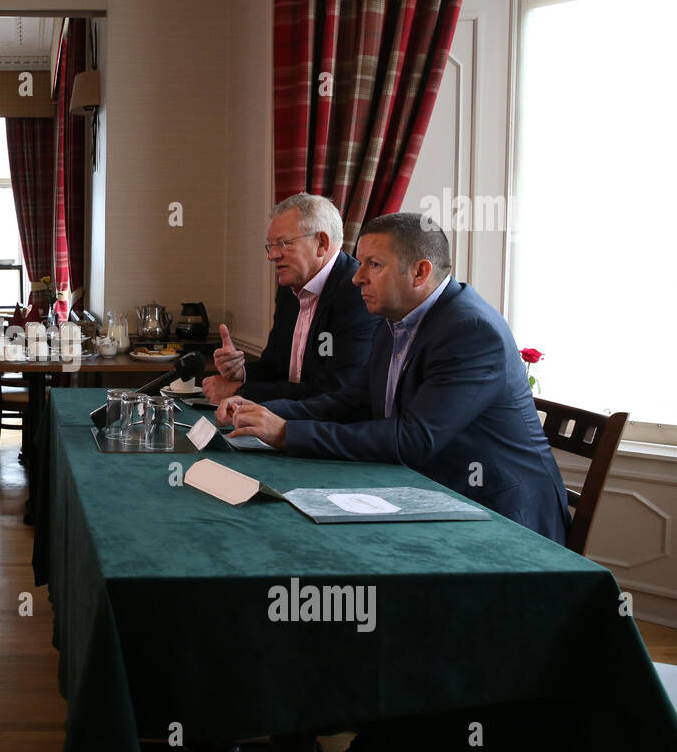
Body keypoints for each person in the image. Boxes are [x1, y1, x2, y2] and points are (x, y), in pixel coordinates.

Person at [216, 211, 570, 544]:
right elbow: (351, 402)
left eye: (373, 265)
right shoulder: (394, 320)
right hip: (429, 493)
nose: (357, 277)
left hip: (500, 513)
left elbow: (414, 439)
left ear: (420, 272)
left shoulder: (471, 330)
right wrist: (261, 410)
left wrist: (285, 432)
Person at [204, 193, 379, 406]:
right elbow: (275, 368)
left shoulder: (356, 292)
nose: (272, 255)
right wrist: (240, 371)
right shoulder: (289, 290)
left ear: (321, 243)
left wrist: (242, 391)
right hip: (286, 420)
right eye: (270, 245)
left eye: (283, 243)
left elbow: (334, 390)